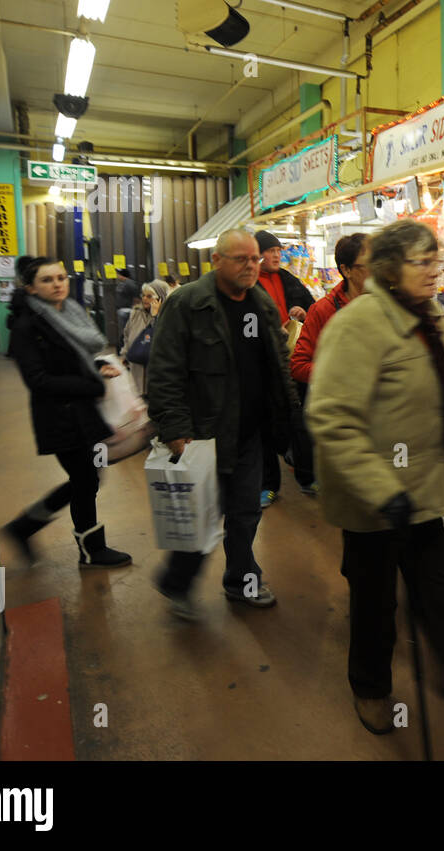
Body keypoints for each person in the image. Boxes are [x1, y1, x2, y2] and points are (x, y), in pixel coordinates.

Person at [307, 220, 444, 736]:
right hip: (372, 495)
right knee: (375, 599)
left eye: (435, 260)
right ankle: (371, 689)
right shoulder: (358, 325)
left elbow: (436, 393)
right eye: (422, 262)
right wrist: (382, 489)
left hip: (419, 485)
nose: (435, 271)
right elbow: (330, 415)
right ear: (389, 269)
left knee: (437, 586)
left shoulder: (430, 316)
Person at [145, 229, 299, 620]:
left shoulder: (260, 303)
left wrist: (288, 418)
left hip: (249, 433)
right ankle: (177, 582)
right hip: (202, 434)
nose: (251, 266)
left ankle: (242, 582)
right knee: (203, 513)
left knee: (246, 513)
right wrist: (176, 430)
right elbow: (164, 371)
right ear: (216, 260)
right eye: (241, 259)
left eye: (255, 259)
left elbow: (277, 365)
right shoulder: (187, 304)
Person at [1, 256, 132, 567]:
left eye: (60, 277)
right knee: (86, 479)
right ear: (30, 288)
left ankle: (24, 527)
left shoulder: (69, 313)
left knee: (87, 478)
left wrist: (98, 366)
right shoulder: (26, 326)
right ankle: (91, 551)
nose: (57, 284)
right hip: (58, 416)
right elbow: (38, 380)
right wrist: (91, 384)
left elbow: (73, 358)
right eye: (47, 280)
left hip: (82, 412)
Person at [287, 234, 370, 495]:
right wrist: (337, 373)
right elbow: (298, 365)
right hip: (340, 416)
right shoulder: (324, 310)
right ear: (345, 270)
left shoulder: (388, 304)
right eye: (368, 264)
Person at [254, 229, 316, 508]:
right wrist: (269, 331)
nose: (276, 254)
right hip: (264, 368)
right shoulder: (249, 286)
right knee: (265, 426)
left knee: (300, 422)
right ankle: (268, 485)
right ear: (256, 256)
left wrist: (303, 312)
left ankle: (306, 476)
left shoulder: (289, 280)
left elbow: (312, 308)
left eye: (278, 250)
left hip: (293, 364)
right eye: (270, 250)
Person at [120, 279, 170, 396]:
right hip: (136, 367)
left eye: (149, 296)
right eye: (143, 295)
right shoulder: (136, 312)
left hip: (157, 373)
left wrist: (156, 315)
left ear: (160, 298)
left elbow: (164, 337)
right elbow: (127, 334)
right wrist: (124, 354)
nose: (145, 299)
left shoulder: (168, 314)